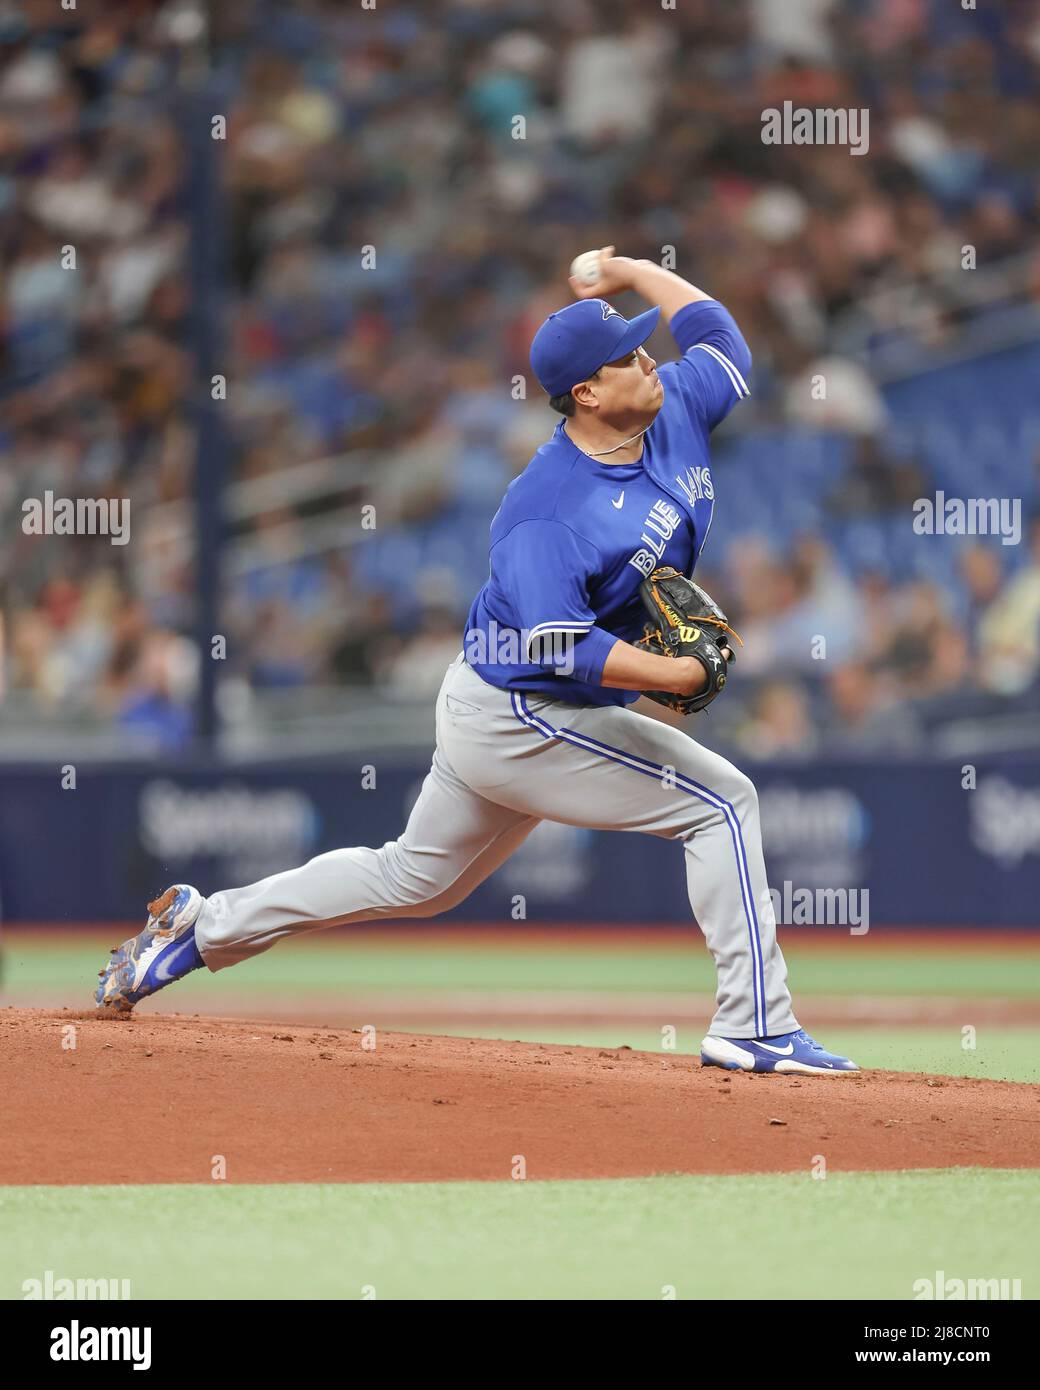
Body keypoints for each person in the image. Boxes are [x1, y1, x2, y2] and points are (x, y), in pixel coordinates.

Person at [96, 249, 858, 1075]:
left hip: (514, 705)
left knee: (413, 880)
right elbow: (558, 646)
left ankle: (200, 928)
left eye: (645, 346)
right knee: (720, 802)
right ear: (589, 395)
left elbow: (721, 338)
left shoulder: (671, 409)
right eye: (630, 355)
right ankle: (752, 1024)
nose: (652, 361)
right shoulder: (545, 511)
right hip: (519, 712)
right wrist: (674, 676)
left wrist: (636, 272)